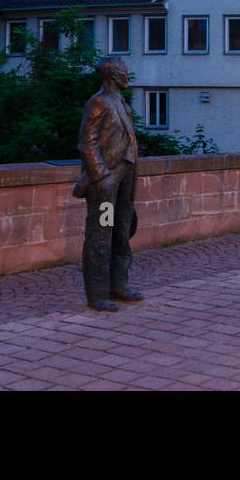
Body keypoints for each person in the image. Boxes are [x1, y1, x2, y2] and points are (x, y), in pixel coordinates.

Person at [74, 56, 144, 311]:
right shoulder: (98, 102)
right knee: (100, 235)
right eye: (125, 71)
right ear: (113, 74)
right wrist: (100, 174)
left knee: (122, 231)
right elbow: (86, 142)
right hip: (107, 178)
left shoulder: (119, 101)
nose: (128, 75)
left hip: (126, 174)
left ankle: (119, 285)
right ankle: (97, 293)